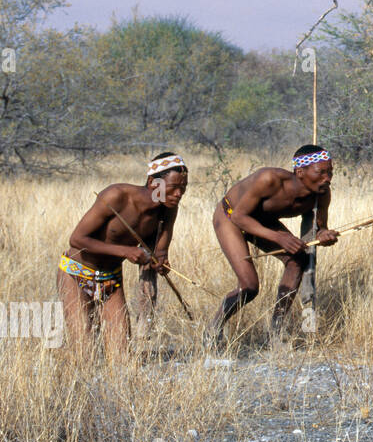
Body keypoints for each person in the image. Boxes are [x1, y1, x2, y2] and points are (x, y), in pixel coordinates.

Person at [57, 152, 188, 357]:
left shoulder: (167, 210)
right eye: (174, 187)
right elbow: (77, 239)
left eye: (183, 188)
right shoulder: (116, 196)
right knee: (84, 352)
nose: (179, 193)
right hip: (77, 272)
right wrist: (125, 251)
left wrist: (161, 263)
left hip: (110, 278)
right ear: (153, 182)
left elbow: (160, 252)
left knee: (120, 356)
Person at [208, 144, 339, 348]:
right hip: (231, 215)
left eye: (330, 172)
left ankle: (275, 335)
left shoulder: (321, 194)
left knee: (298, 260)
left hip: (262, 220)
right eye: (321, 172)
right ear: (300, 172)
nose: (328, 178)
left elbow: (320, 227)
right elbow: (240, 217)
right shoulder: (269, 179)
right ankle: (213, 329)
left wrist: (325, 235)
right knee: (249, 286)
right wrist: (279, 238)